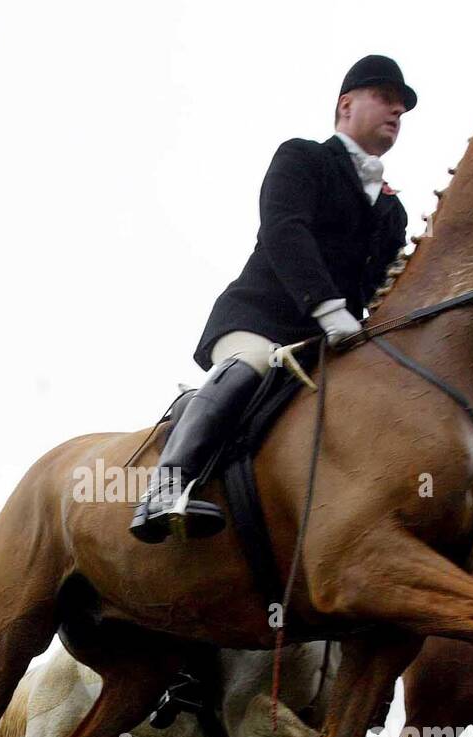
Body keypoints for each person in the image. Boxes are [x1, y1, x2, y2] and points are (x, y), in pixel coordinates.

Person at [130, 55, 414, 543]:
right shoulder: (302, 157)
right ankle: (165, 488)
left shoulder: (393, 209)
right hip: (262, 318)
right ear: (346, 105)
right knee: (250, 365)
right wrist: (329, 307)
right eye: (386, 99)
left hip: (333, 340)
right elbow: (285, 231)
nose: (396, 112)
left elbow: (385, 283)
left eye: (402, 108)